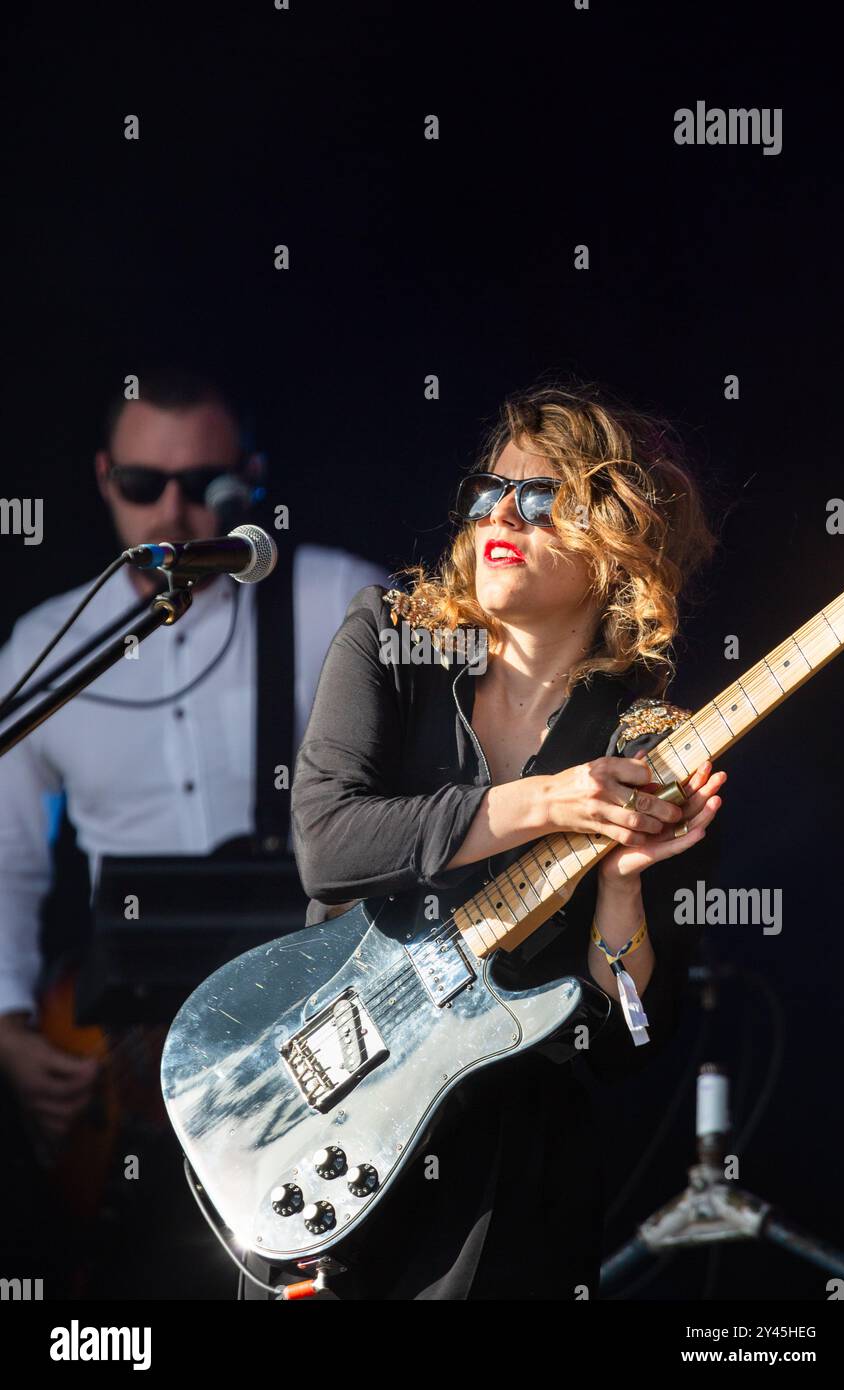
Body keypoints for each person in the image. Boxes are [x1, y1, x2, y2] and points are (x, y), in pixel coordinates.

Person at [243, 380, 726, 1301]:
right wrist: (543, 802)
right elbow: (330, 847)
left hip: (508, 1179)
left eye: (542, 498)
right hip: (329, 1105)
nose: (502, 513)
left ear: (616, 537)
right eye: (489, 491)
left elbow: (622, 1048)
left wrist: (622, 892)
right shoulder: (389, 635)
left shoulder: (648, 739)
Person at [0, 367, 389, 1295]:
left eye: (201, 485)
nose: (171, 509)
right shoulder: (44, 645)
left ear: (248, 479)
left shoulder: (339, 598)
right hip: (123, 1066)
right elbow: (7, 859)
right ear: (104, 479)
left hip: (311, 1024)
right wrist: (11, 1029)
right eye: (143, 486)